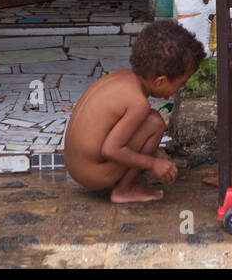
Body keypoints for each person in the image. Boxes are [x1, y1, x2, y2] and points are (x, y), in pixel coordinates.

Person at [64, 19, 205, 203]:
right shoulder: (138, 103)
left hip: (75, 166)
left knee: (149, 121)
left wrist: (150, 153)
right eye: (181, 84)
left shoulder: (123, 77)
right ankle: (124, 190)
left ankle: (128, 177)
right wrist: (152, 163)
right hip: (93, 175)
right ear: (160, 81)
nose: (180, 89)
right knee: (154, 124)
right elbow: (111, 149)